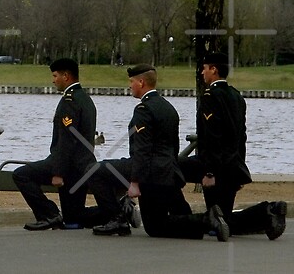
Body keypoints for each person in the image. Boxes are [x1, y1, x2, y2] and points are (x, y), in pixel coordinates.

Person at [91, 64, 230, 240]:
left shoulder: (143, 110)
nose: (130, 86)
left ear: (141, 82)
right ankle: (206, 220)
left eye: (131, 82)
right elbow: (174, 145)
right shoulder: (168, 107)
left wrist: (134, 181)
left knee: (96, 171)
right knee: (166, 220)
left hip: (148, 171)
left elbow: (142, 149)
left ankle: (116, 218)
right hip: (168, 170)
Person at [179, 52, 286, 239]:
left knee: (174, 168)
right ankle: (268, 213)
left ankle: (177, 213)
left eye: (204, 69)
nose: (202, 73)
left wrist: (209, 172)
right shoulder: (236, 96)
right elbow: (240, 137)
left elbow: (212, 137)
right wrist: (239, 168)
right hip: (232, 165)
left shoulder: (211, 97)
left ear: (214, 69)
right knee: (223, 221)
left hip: (215, 165)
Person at [13, 58, 116, 230]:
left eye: (55, 76)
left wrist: (58, 172)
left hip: (67, 164)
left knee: (22, 175)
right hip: (83, 165)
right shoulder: (85, 99)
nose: (53, 80)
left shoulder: (69, 101)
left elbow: (67, 139)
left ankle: (49, 215)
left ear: (66, 76)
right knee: (73, 217)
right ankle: (119, 210)